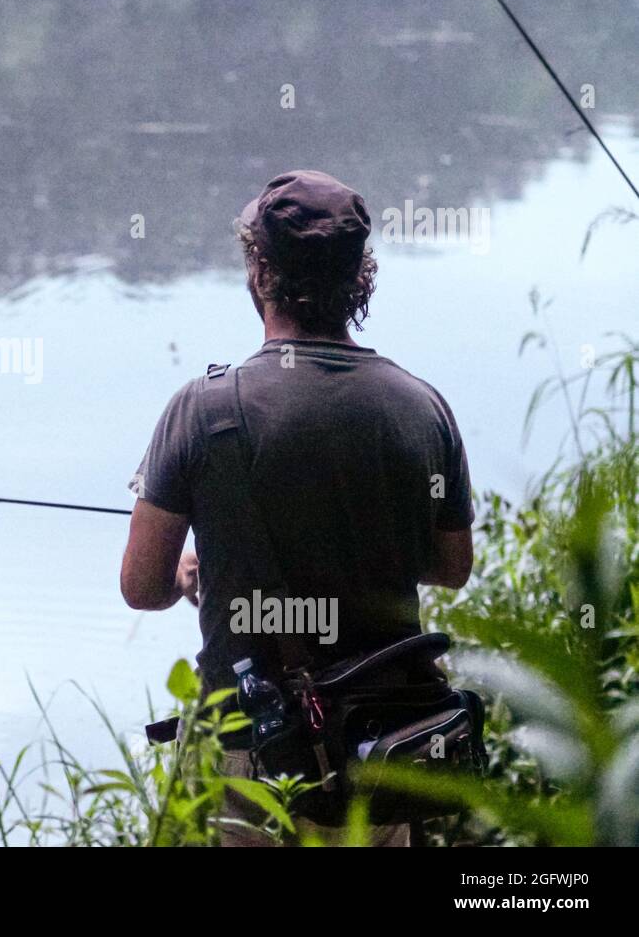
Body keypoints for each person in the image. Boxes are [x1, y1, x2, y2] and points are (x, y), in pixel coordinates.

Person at [120, 170, 474, 846]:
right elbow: (451, 566)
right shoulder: (420, 409)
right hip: (384, 746)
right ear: (360, 274)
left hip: (259, 756)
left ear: (260, 271)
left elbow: (141, 585)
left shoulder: (201, 412)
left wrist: (190, 576)